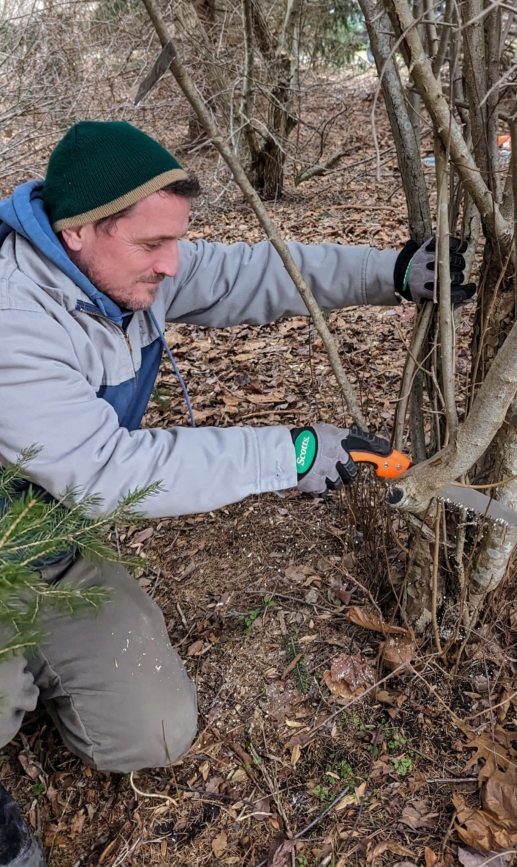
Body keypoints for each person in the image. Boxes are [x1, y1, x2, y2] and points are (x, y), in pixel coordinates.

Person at [0, 121, 474, 866]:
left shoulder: (125, 270)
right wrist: (294, 452)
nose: (173, 264)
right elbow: (107, 473)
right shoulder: (13, 317)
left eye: (178, 240)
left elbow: (259, 275)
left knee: (150, 734)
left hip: (51, 541)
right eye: (152, 245)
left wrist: (392, 271)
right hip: (18, 533)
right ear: (78, 232)